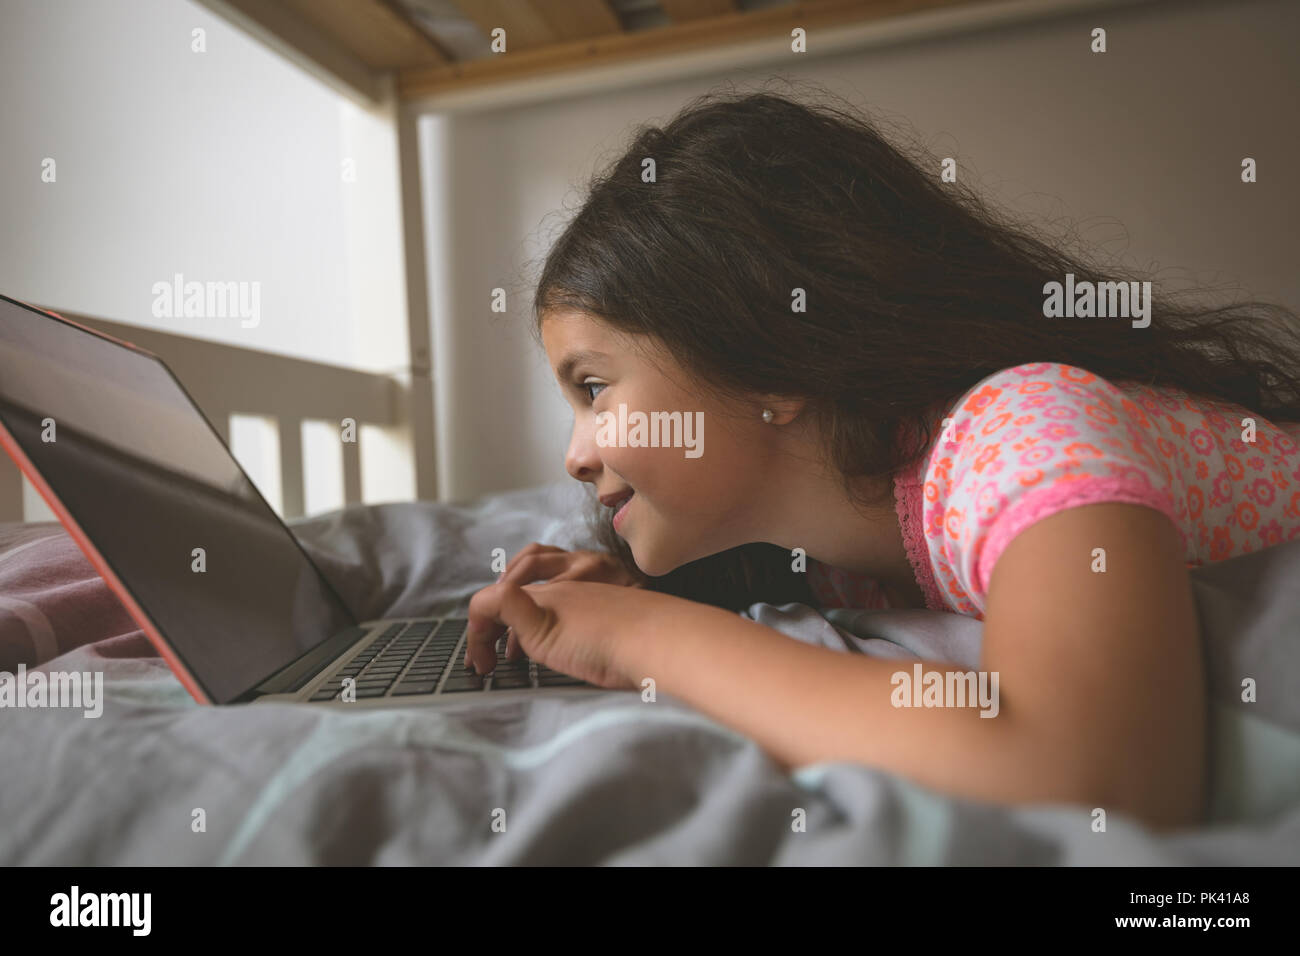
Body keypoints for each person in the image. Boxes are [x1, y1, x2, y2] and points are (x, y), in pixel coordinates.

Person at [462, 87, 1300, 833]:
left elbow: (1097, 782)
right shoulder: (841, 558)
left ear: (766, 362)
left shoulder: (1029, 426)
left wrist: (645, 639)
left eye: (595, 387)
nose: (574, 456)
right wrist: (634, 600)